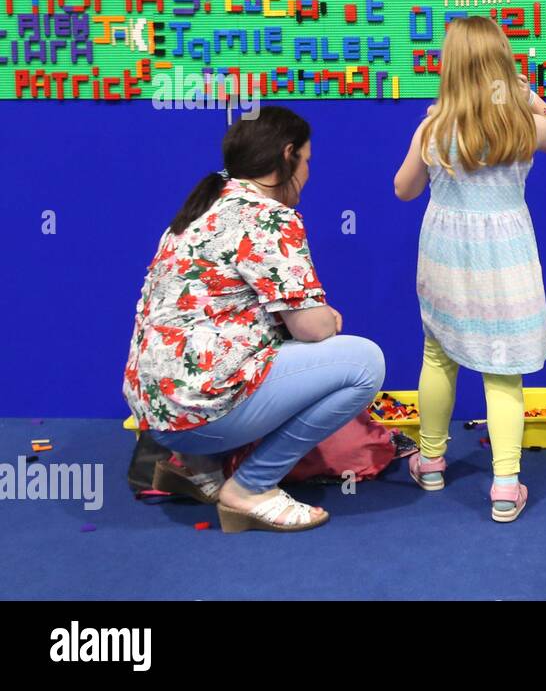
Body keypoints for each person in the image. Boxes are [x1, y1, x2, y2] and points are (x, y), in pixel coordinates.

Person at [124, 107, 385, 533]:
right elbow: (311, 328)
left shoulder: (201, 208)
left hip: (154, 414)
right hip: (197, 415)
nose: (308, 173)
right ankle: (251, 487)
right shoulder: (268, 216)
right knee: (364, 363)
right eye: (307, 161)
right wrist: (329, 319)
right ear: (287, 155)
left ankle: (195, 465)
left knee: (253, 348)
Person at [394, 15, 546, 523]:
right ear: (502, 64)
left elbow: (403, 190)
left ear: (449, 68)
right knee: (503, 372)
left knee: (437, 355)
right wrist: (528, 94)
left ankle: (430, 461)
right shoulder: (522, 124)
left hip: (445, 256)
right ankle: (504, 485)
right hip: (506, 258)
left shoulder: (433, 127)